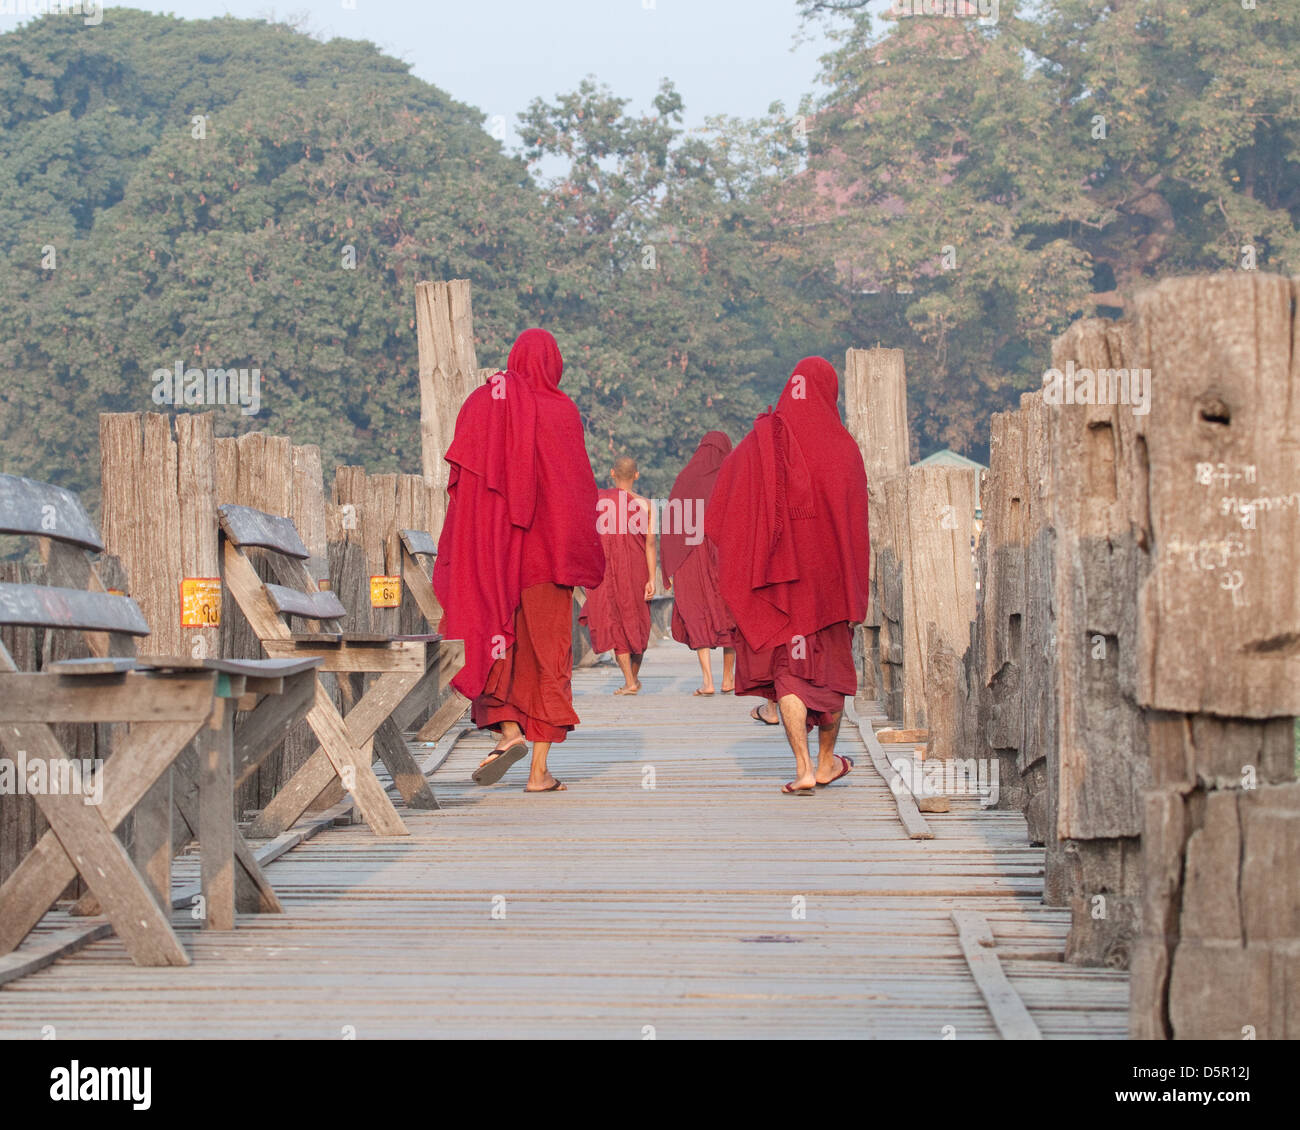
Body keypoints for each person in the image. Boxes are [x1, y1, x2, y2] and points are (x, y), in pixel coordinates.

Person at [432, 328, 605, 792]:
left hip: (495, 558)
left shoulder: (482, 403)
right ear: (554, 364)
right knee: (548, 657)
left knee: (498, 645)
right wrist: (580, 559)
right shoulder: (562, 411)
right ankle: (538, 773)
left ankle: (508, 733)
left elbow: (465, 491)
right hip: (545, 563)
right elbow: (576, 494)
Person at [705, 357, 870, 795]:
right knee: (830, 671)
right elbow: (855, 526)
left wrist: (756, 553)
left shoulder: (760, 443)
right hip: (829, 584)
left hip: (780, 581)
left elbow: (720, 511)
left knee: (790, 671)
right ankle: (826, 762)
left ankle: (801, 767)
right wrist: (854, 588)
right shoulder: (843, 449)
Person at [660, 430, 737, 696]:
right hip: (723, 555)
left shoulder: (685, 478)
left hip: (688, 558)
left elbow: (670, 524)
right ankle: (729, 678)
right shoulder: (731, 477)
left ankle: (707, 681)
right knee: (729, 613)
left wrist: (667, 565)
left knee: (696, 613)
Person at [579, 456, 657, 694]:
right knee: (639, 621)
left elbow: (587, 539)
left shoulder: (598, 502)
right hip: (638, 572)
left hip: (607, 572)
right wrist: (652, 579)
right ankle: (632, 678)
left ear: (612, 473)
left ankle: (630, 681)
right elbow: (651, 544)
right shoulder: (646, 505)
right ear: (636, 475)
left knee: (615, 622)